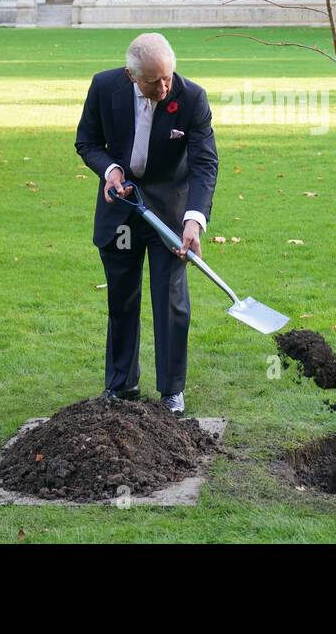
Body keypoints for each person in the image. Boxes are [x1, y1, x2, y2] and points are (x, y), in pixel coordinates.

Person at [74, 33, 219, 415]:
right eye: (154, 81)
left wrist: (194, 220)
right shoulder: (105, 87)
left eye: (168, 77)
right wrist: (111, 170)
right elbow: (86, 141)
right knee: (121, 299)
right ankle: (121, 386)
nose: (164, 86)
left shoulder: (191, 98)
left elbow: (204, 164)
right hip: (120, 209)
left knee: (171, 300)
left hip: (169, 216)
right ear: (131, 75)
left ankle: (172, 390)